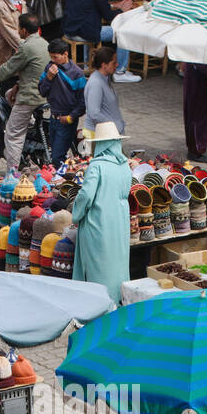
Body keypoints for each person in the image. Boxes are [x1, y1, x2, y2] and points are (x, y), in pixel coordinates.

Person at [0, 14, 50, 173]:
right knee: (9, 93)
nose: (18, 31)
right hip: (42, 93)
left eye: (19, 28)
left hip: (30, 97)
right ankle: (29, 124)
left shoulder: (26, 47)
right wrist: (17, 85)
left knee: (12, 135)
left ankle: (13, 173)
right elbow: (32, 71)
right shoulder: (44, 44)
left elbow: (9, 68)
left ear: (23, 30)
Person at [71, 121, 129, 304]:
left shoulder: (97, 166)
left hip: (99, 224)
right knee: (118, 264)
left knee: (98, 266)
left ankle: (99, 306)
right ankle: (117, 301)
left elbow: (86, 195)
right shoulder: (124, 166)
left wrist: (76, 214)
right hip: (120, 223)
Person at [63, 0, 141, 83]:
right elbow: (108, 16)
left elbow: (93, 3)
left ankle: (86, 67)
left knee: (89, 23)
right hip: (83, 31)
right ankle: (120, 72)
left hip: (69, 29)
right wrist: (123, 10)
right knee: (122, 32)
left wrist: (117, 5)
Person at [38, 39, 87, 164]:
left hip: (67, 121)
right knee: (56, 155)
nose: (53, 60)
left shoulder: (77, 74)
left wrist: (70, 117)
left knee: (57, 157)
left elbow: (83, 103)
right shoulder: (50, 68)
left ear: (65, 54)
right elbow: (42, 91)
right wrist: (48, 77)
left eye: (55, 57)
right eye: (51, 57)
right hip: (53, 118)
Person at [83, 46, 125, 138]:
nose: (117, 65)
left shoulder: (105, 79)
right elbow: (94, 113)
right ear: (104, 65)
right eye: (114, 63)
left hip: (107, 133)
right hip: (99, 134)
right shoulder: (96, 83)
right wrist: (113, 126)